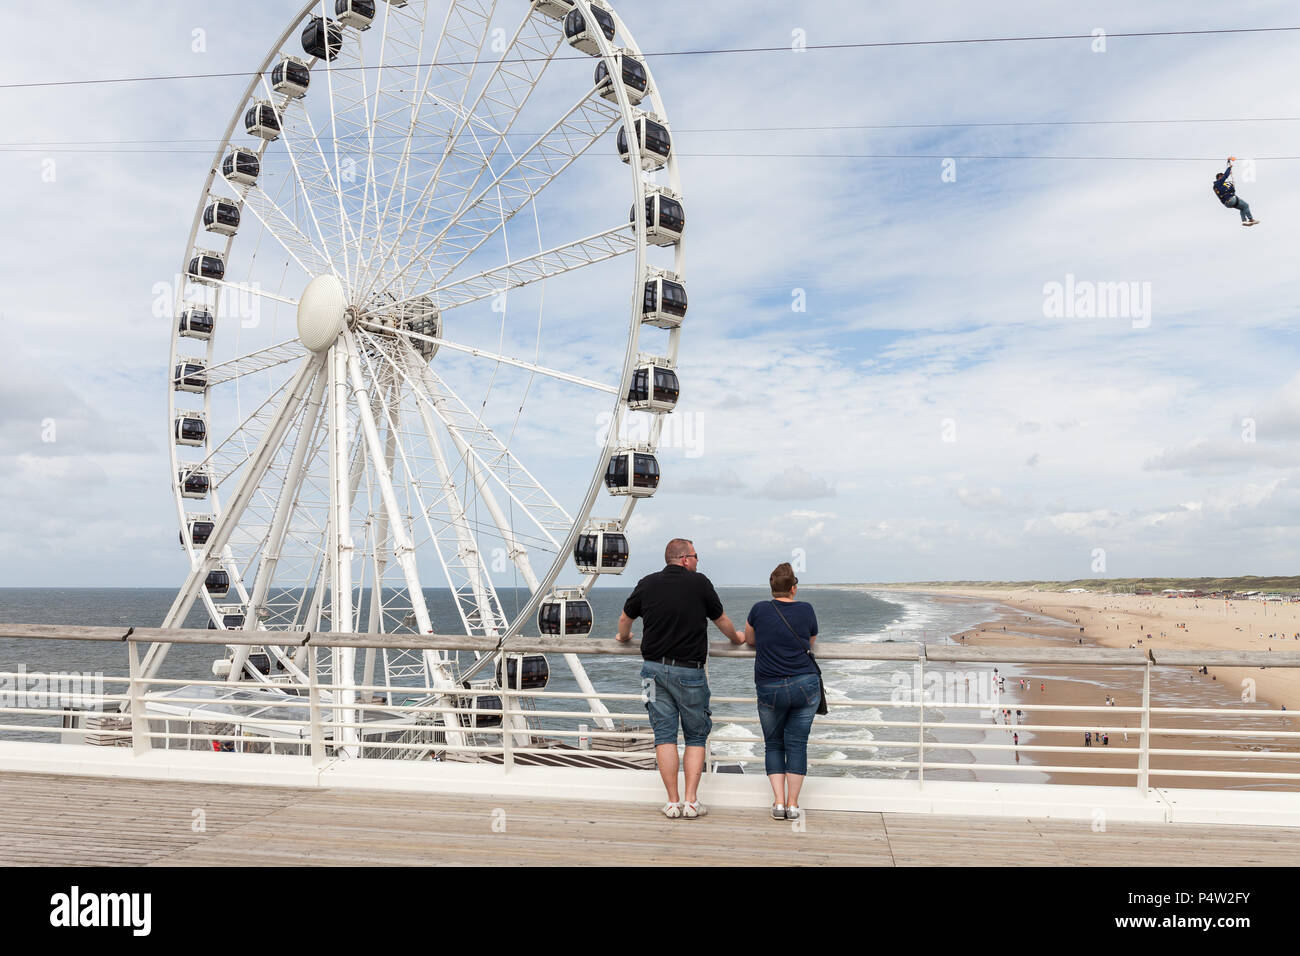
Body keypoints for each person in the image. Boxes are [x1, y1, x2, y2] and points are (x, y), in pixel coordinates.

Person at [618, 538, 745, 819]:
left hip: (651, 672)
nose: (698, 561)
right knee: (696, 737)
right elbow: (721, 620)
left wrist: (624, 638)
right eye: (696, 556)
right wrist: (737, 638)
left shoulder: (647, 583)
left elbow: (625, 620)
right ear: (685, 559)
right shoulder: (699, 583)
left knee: (663, 736)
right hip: (689, 672)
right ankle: (691, 802)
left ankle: (672, 802)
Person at [743, 562, 821, 821]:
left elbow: (750, 640)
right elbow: (810, 642)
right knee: (797, 745)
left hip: (770, 686)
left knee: (774, 744)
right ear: (794, 588)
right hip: (805, 684)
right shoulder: (807, 609)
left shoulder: (759, 609)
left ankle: (778, 803)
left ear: (772, 588)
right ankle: (794, 804)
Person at [1213, 157, 1259, 226]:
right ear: (1219, 177)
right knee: (1246, 205)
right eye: (1222, 177)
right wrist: (1229, 168)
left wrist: (1232, 187)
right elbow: (1225, 175)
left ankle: (1244, 221)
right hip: (1230, 199)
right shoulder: (1218, 183)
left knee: (1242, 208)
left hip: (1227, 203)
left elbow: (1231, 191)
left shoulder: (1218, 186)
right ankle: (1251, 219)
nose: (1224, 179)